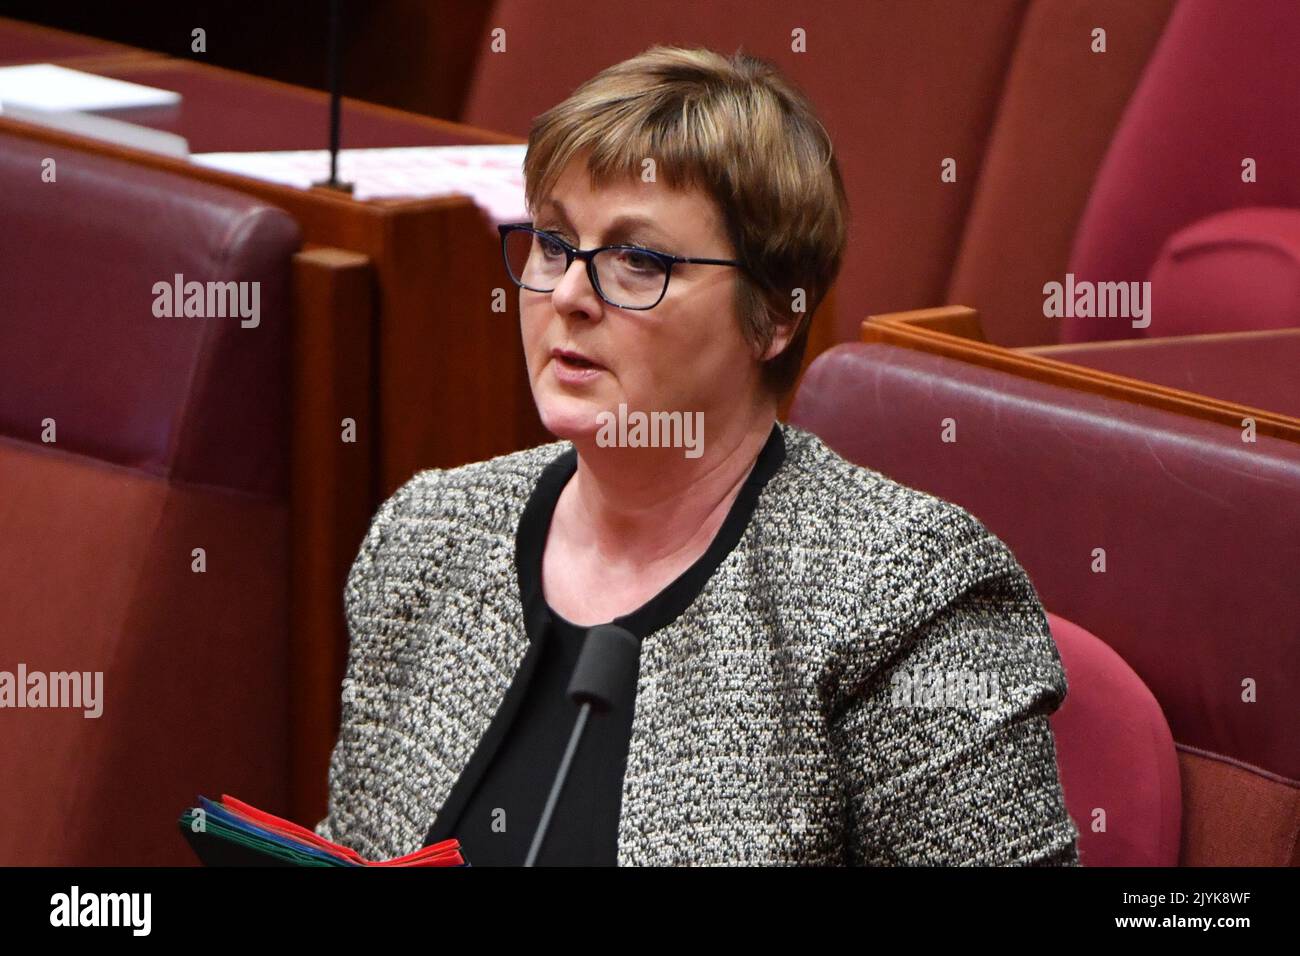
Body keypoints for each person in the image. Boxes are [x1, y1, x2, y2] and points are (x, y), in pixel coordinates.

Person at [315, 45, 1080, 866]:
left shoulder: (899, 595)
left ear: (775, 316)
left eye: (637, 261)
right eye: (551, 241)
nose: (569, 295)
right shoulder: (427, 536)